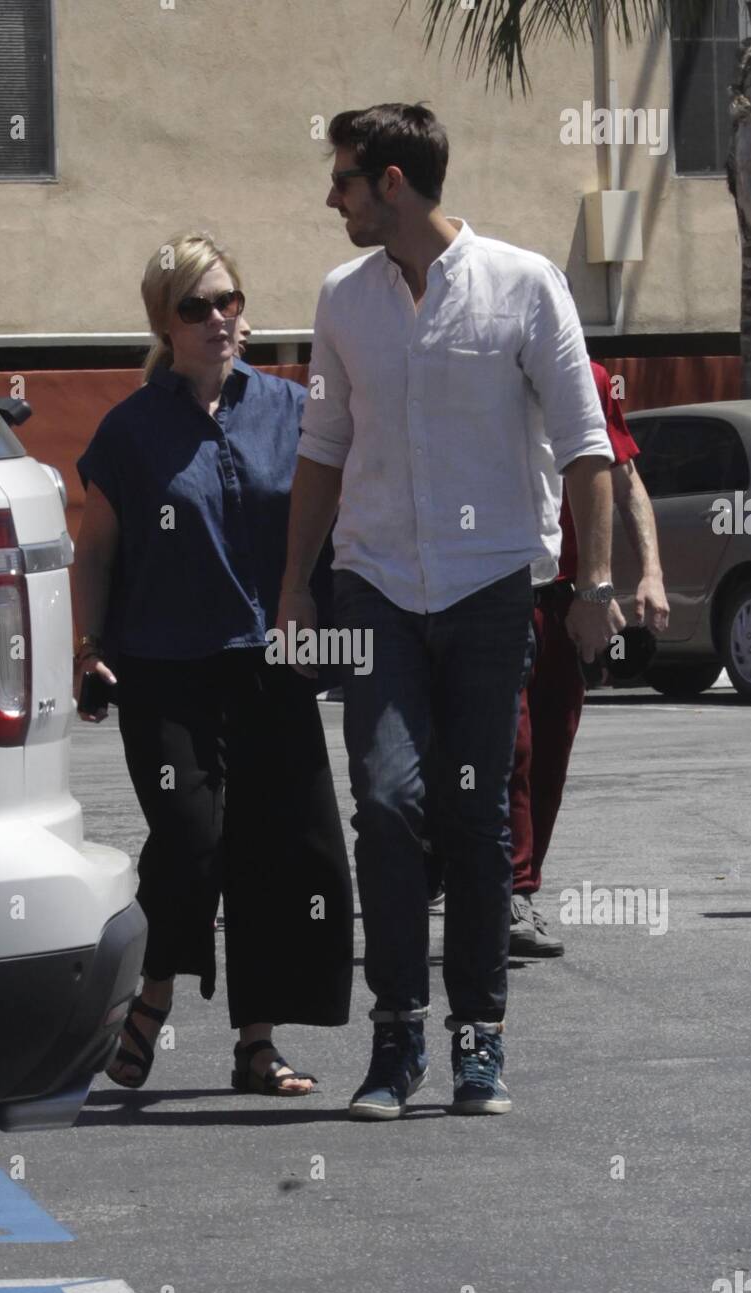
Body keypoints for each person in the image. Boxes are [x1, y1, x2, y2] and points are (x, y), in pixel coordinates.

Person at [276, 102, 622, 1121]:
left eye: (342, 177)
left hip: (488, 591)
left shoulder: (524, 285)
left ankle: (478, 1040)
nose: (329, 196)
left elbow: (586, 446)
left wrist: (593, 589)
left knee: (472, 817)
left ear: (392, 182)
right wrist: (296, 587)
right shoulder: (344, 299)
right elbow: (322, 452)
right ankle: (396, 1042)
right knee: (385, 802)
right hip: (373, 587)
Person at [72, 232, 353, 1095]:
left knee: (284, 849)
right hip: (161, 669)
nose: (218, 318)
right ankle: (151, 994)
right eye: (195, 307)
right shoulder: (129, 430)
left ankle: (256, 1045)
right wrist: (86, 648)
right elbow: (97, 555)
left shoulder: (287, 406)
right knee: (192, 839)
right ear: (165, 322)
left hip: (270, 663)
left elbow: (332, 517)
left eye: (228, 300)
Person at [507, 360, 670, 955]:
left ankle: (517, 892)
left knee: (549, 745)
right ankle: (499, 881)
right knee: (508, 744)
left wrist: (650, 572)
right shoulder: (483, 369)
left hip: (572, 596)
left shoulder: (590, 379)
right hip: (493, 588)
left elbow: (624, 480)